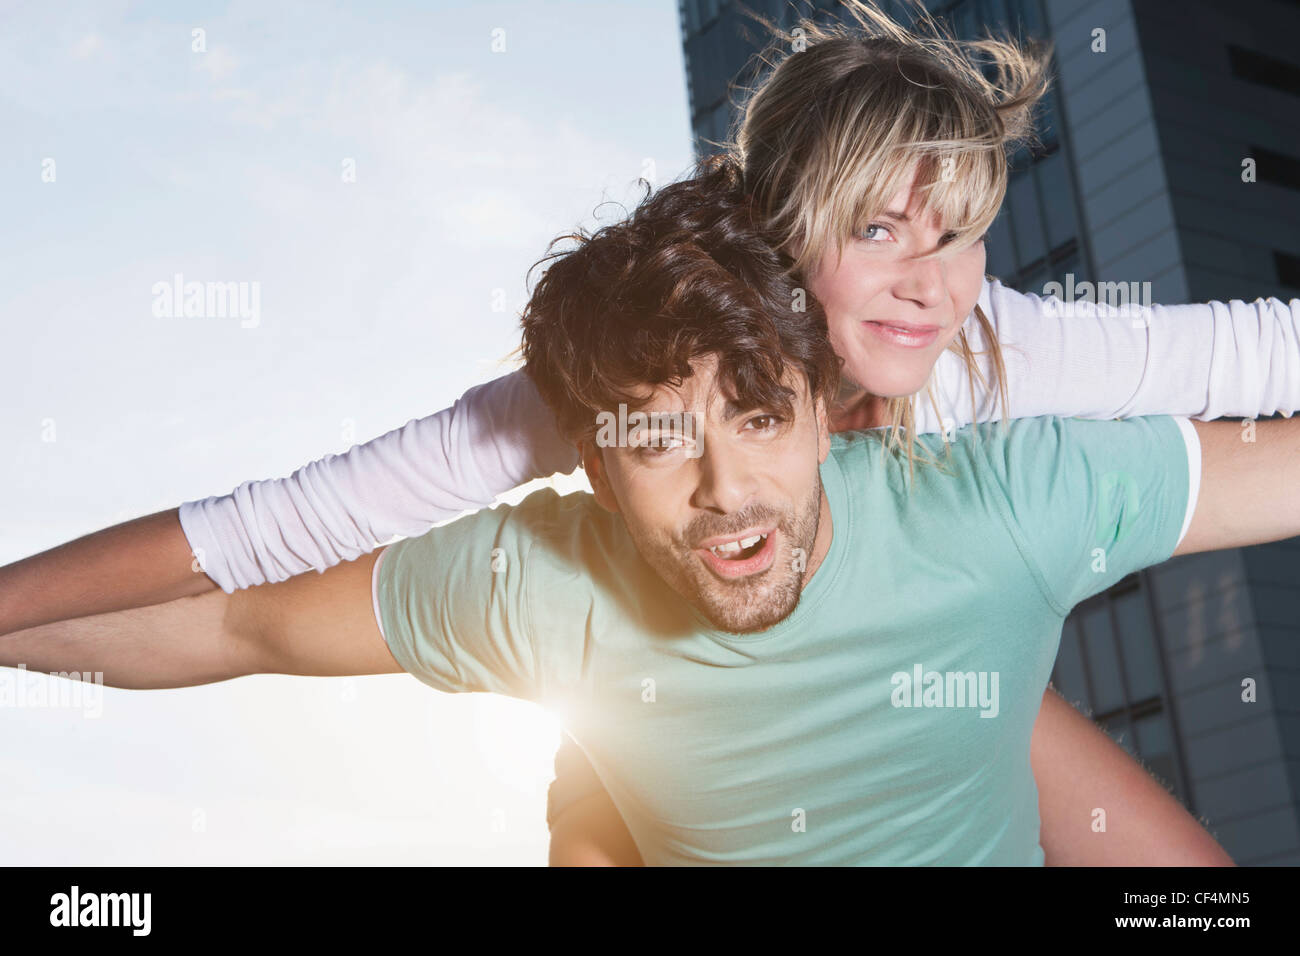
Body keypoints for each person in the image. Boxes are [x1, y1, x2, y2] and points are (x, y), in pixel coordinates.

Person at [3, 1, 1294, 862]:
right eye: (659, 439)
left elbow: (1243, 360)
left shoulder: (1007, 419)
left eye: (758, 412)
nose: (729, 489)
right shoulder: (546, 502)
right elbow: (245, 580)